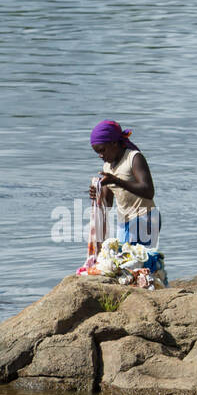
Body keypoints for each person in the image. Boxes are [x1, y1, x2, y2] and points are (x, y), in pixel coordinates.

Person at [83, 119, 166, 288]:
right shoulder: (107, 167)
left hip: (145, 218)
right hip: (125, 222)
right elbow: (107, 203)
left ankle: (159, 280)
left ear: (114, 143)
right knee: (124, 264)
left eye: (102, 150)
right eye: (97, 152)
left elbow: (148, 190)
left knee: (139, 262)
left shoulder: (133, 158)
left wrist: (117, 181)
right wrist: (97, 194)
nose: (101, 155)